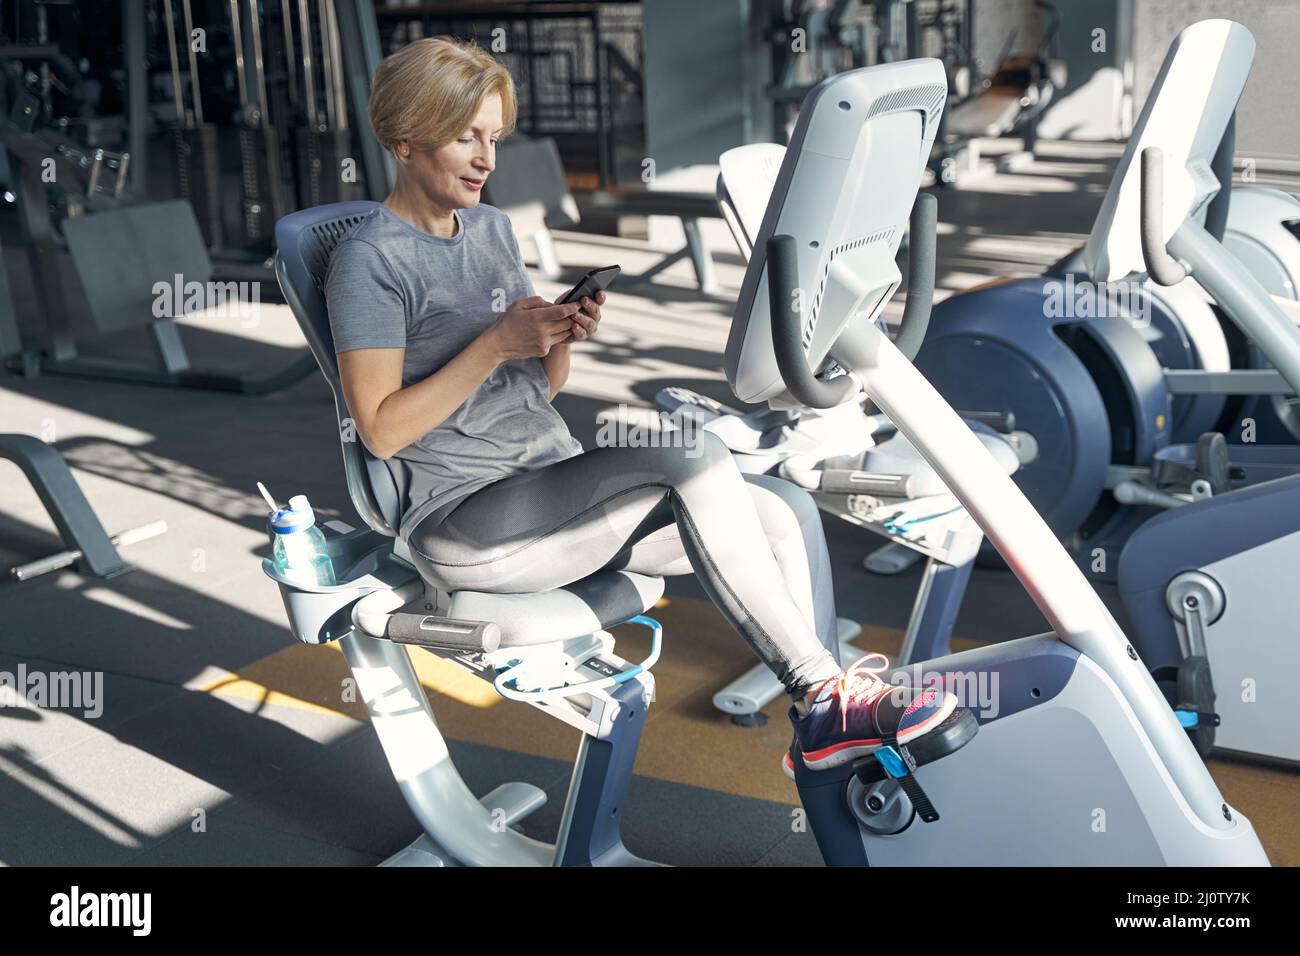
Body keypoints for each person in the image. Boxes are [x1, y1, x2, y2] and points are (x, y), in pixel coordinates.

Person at [324, 36, 958, 772]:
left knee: (777, 511)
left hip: (549, 494)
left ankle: (829, 723)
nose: (485, 158)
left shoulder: (492, 229)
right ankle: (823, 698)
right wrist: (499, 341)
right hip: (466, 522)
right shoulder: (368, 261)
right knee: (691, 456)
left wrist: (557, 338)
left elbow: (538, 393)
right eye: (465, 136)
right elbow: (377, 429)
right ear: (406, 137)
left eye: (494, 137)